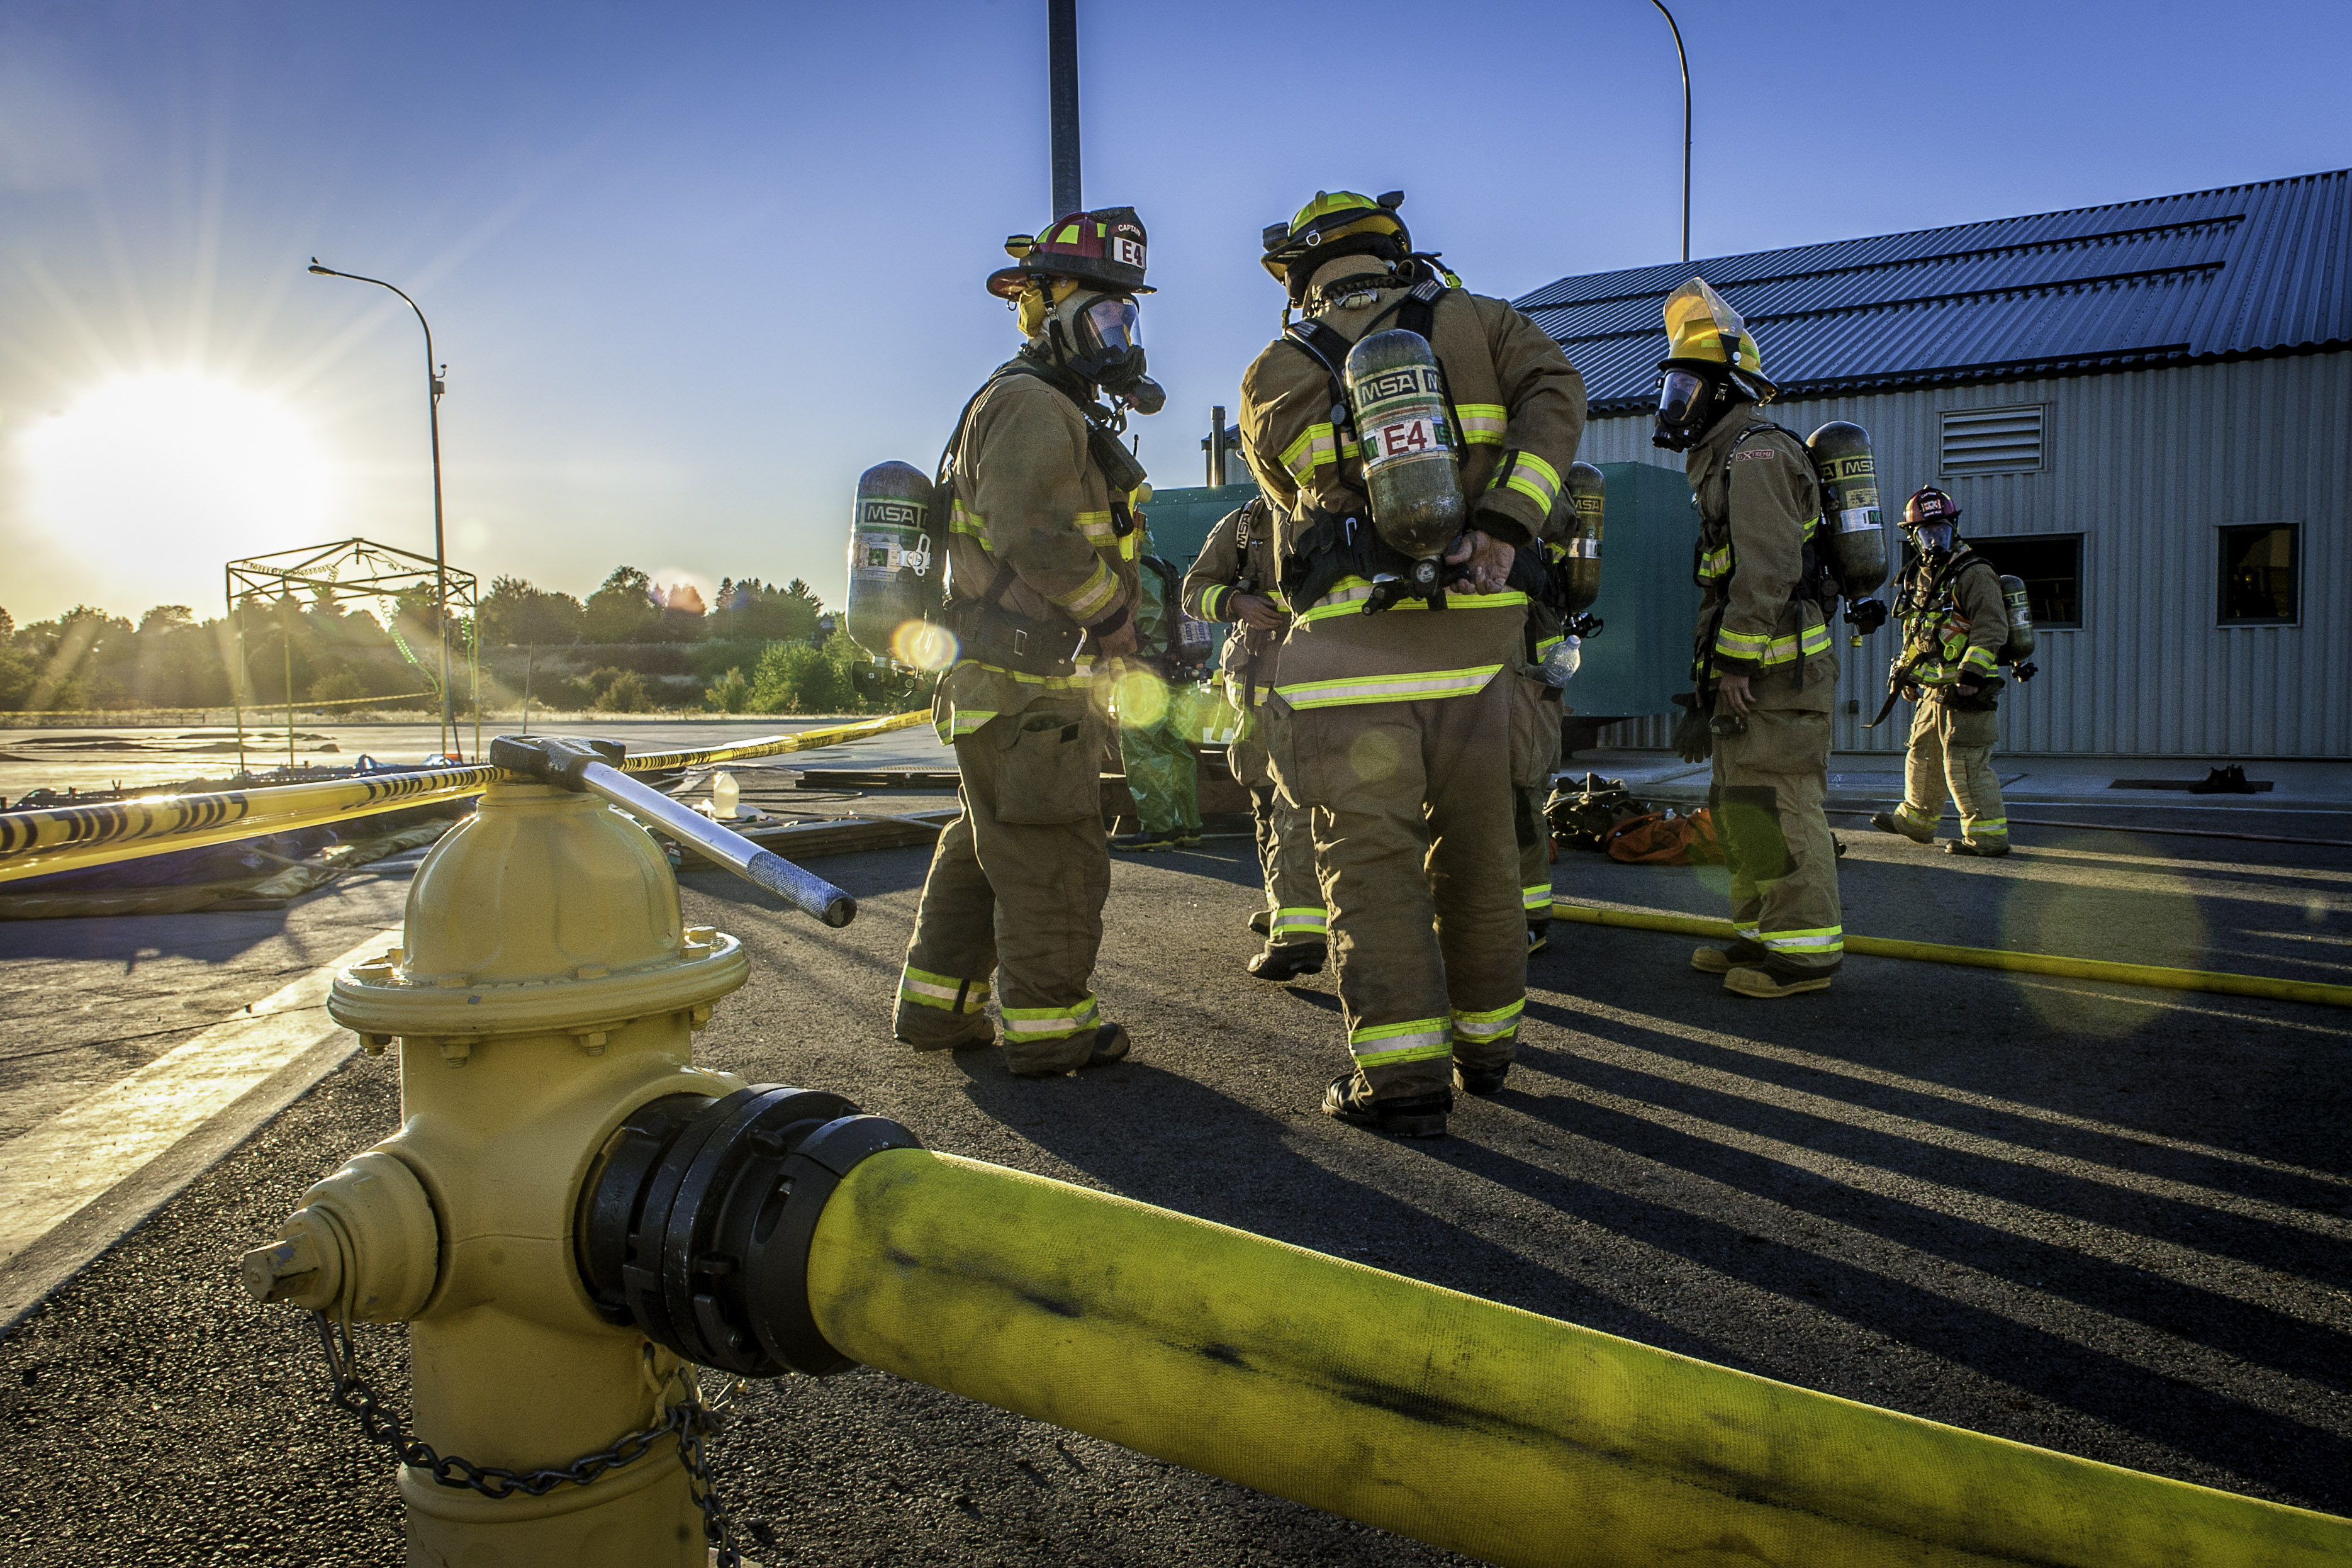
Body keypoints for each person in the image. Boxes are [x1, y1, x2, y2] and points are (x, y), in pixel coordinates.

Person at [1239, 189, 1586, 1137]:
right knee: (1482, 856)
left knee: (1373, 871)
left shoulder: (1274, 367)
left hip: (1350, 661)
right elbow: (1560, 397)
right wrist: (1504, 523)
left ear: (1301, 277)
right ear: (1397, 253)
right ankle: (1489, 1051)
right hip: (1478, 647)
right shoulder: (1486, 322)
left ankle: (1403, 1084)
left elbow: (1286, 496)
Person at [895, 207, 1160, 1078]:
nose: (1118, 335)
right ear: (1045, 310)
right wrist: (1114, 620)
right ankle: (1053, 1033)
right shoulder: (1031, 404)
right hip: (1026, 684)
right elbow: (1036, 537)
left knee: (990, 848)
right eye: (1103, 314)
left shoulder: (1038, 403)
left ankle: (938, 1009)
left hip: (1004, 683)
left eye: (1126, 317)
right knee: (1054, 857)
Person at [1652, 277, 1843, 999]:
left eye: (1688, 388)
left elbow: (1766, 573)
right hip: (1749, 678)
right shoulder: (1725, 457)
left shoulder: (1757, 455)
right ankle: (1761, 932)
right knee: (1743, 804)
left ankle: (1804, 954)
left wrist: (1734, 664)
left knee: (1783, 802)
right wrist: (1714, 677)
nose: (1676, 401)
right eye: (1673, 387)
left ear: (1727, 392)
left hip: (1777, 677)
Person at [1183, 495, 1328, 980]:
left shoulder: (1337, 508)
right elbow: (1193, 591)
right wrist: (1235, 602)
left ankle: (1299, 934)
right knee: (1267, 808)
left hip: (1316, 691)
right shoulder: (1246, 525)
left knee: (1296, 807)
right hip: (1256, 699)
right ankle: (1285, 905)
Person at [1871, 487, 2012, 856]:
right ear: (1913, 537)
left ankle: (1988, 837)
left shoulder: (1974, 573)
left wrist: (1971, 675)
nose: (1936, 541)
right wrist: (1906, 674)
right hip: (1934, 690)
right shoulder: (1921, 575)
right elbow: (1918, 629)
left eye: (1942, 531)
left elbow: (1992, 627)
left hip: (1966, 691)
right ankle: (1916, 822)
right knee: (1923, 754)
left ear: (1954, 529)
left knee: (1964, 763)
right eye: (1927, 533)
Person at [1109, 512, 1204, 853]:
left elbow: (1138, 629)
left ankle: (1158, 829)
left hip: (1145, 675)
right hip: (1176, 673)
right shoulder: (1165, 567)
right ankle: (1188, 826)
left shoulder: (1134, 572)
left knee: (1143, 752)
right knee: (1177, 750)